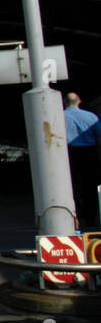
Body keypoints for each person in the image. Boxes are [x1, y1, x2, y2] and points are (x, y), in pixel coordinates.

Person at [63, 92, 100, 230]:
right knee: (90, 185)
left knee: (72, 186)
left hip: (69, 153)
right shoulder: (91, 116)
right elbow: (99, 134)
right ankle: (91, 217)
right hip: (89, 153)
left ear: (64, 102)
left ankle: (76, 216)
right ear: (79, 101)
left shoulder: (59, 116)